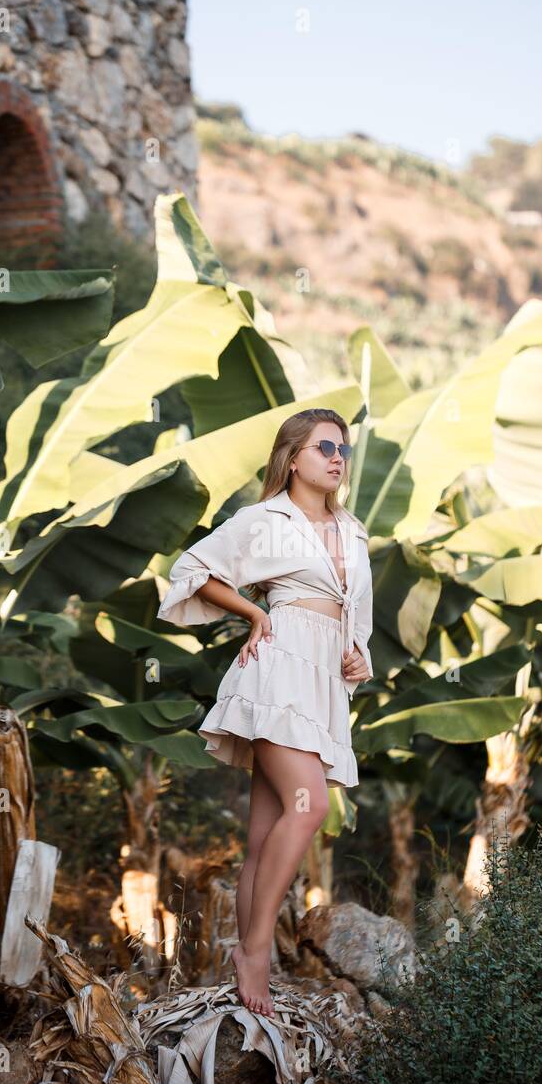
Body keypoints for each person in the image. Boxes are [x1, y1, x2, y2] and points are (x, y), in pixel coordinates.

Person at [156, 408, 374, 1017]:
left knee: (263, 836)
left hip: (323, 682)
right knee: (309, 807)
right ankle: (253, 953)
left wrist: (359, 658)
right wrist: (254, 614)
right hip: (277, 669)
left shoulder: (354, 532)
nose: (337, 458)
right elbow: (192, 572)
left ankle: (245, 954)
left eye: (343, 449)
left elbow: (360, 626)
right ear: (293, 456)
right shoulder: (266, 519)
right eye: (324, 447)